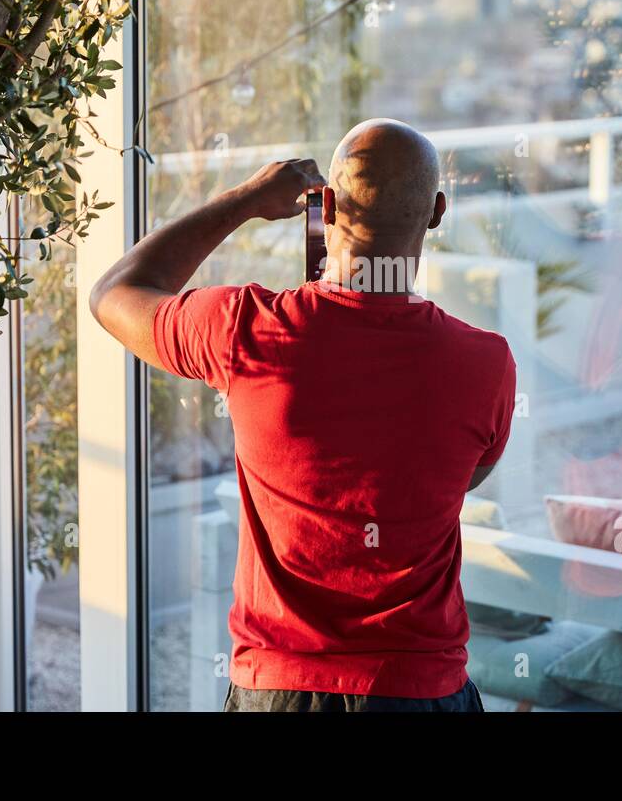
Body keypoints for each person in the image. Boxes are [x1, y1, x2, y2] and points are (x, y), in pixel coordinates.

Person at [91, 119, 516, 712]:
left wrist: (244, 201)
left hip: (279, 689)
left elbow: (115, 293)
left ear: (327, 206)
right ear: (437, 212)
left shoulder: (248, 329)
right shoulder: (485, 363)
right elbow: (458, 478)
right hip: (419, 691)